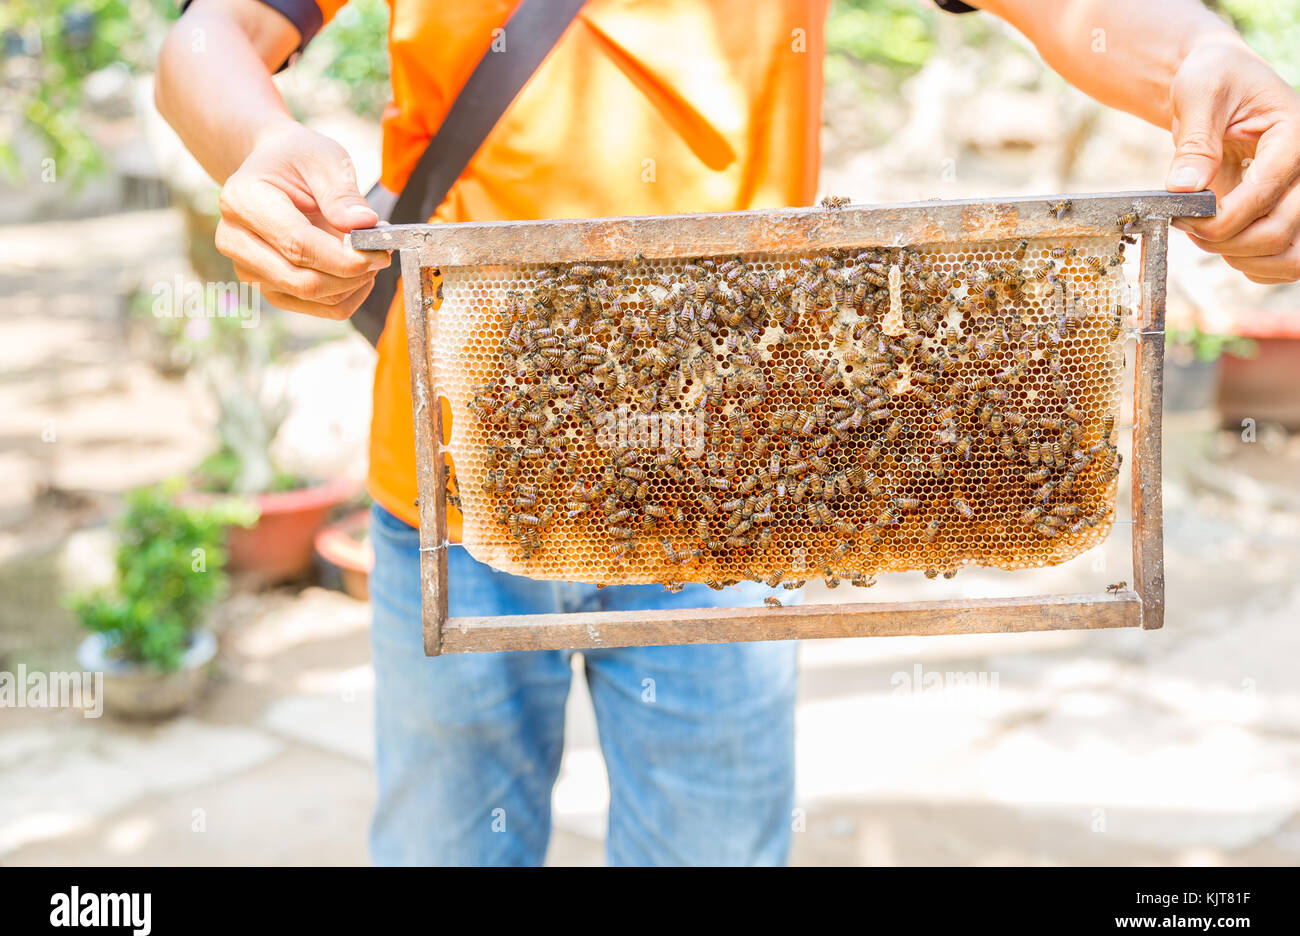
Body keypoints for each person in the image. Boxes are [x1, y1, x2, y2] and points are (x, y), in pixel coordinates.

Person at [156, 0, 1300, 866]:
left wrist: (1202, 63)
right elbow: (206, 44)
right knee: (440, 840)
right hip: (460, 474)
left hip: (731, 492)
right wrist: (254, 146)